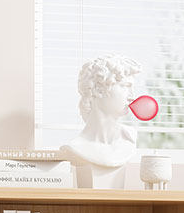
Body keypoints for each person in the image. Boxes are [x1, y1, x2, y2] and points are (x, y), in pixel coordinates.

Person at [60, 55, 141, 186]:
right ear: (98, 89)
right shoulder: (75, 148)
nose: (132, 96)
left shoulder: (129, 139)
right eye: (125, 86)